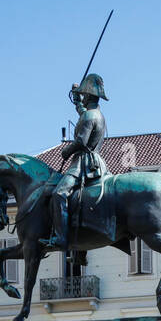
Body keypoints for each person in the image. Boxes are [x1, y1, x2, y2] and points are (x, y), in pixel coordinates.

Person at [41, 74, 109, 251]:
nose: (83, 98)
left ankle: (61, 238)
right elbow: (83, 114)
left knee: (59, 194)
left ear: (88, 95)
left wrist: (66, 151)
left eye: (83, 95)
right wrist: (76, 100)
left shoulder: (89, 117)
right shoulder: (96, 114)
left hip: (83, 162)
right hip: (97, 161)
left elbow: (81, 142)